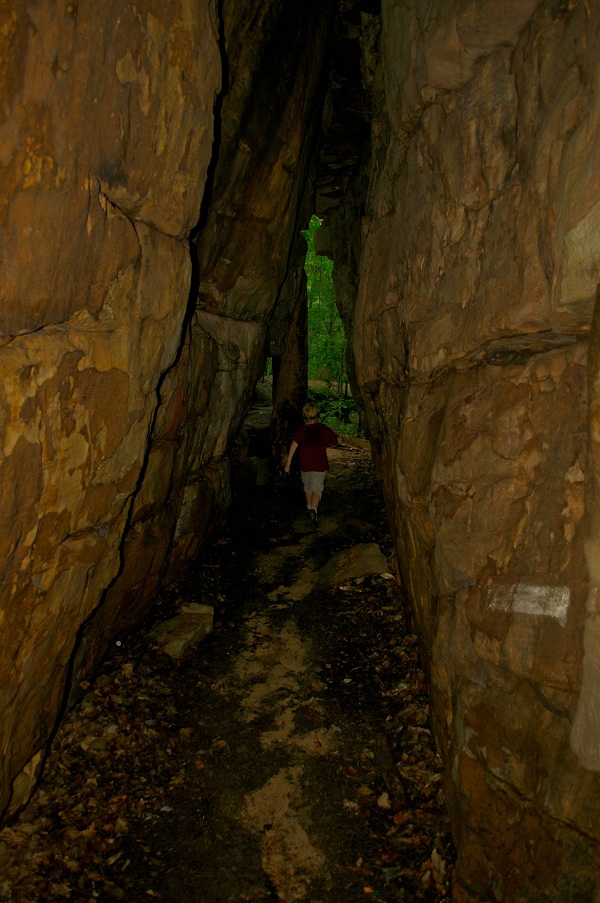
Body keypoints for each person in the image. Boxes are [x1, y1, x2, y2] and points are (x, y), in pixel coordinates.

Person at [284, 402, 338, 526]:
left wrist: (288, 463)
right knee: (317, 490)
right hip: (320, 465)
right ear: (317, 415)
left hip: (305, 465)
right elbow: (335, 440)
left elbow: (293, 446)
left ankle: (309, 508)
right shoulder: (323, 429)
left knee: (307, 488)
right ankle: (314, 510)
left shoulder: (301, 431)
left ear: (305, 416)